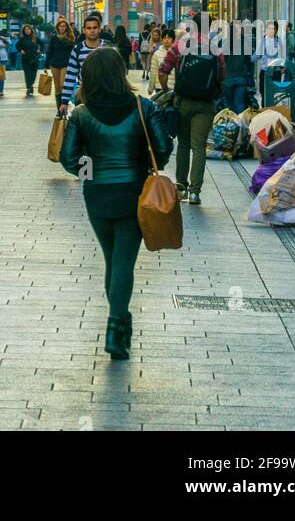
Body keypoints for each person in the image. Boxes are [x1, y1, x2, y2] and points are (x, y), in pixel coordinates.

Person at [60, 47, 172, 360]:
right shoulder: (142, 107)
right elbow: (162, 149)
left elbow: (69, 160)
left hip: (97, 196)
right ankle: (116, 328)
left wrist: (93, 171)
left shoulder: (81, 114)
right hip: (134, 194)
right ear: (121, 72)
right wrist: (142, 167)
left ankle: (118, 324)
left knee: (112, 260)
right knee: (123, 261)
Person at [158, 28, 224, 205]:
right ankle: (195, 193)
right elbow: (221, 76)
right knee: (199, 147)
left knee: (183, 145)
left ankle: (181, 187)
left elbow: (163, 70)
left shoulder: (179, 47)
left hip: (183, 102)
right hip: (205, 104)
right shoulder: (215, 50)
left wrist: (167, 91)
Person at [58, 12, 104, 114]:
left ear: (99, 30)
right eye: (89, 28)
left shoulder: (108, 47)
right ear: (84, 30)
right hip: (84, 96)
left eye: (95, 28)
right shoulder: (77, 49)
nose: (92, 31)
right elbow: (70, 75)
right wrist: (64, 102)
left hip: (105, 96)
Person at [47, 18, 76, 112]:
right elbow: (50, 51)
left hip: (65, 64)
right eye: (60, 26)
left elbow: (73, 52)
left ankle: (64, 106)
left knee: (63, 85)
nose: (62, 28)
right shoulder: (54, 38)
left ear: (67, 27)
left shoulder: (70, 38)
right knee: (57, 87)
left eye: (64, 26)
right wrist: (45, 65)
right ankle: (59, 108)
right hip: (54, 64)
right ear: (58, 27)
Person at [17, 23, 41, 97]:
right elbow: (17, 46)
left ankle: (31, 84)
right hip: (25, 59)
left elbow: (42, 43)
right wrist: (21, 50)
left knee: (33, 74)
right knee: (27, 74)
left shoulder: (35, 38)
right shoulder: (22, 39)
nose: (27, 31)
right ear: (24, 31)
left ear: (31, 30)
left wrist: (40, 50)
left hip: (34, 58)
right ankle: (28, 88)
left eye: (28, 29)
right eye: (25, 30)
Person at [146, 26, 170, 95]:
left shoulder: (161, 46)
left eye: (156, 35)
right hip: (154, 69)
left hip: (161, 74)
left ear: (159, 36)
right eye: (153, 35)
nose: (154, 37)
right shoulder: (151, 43)